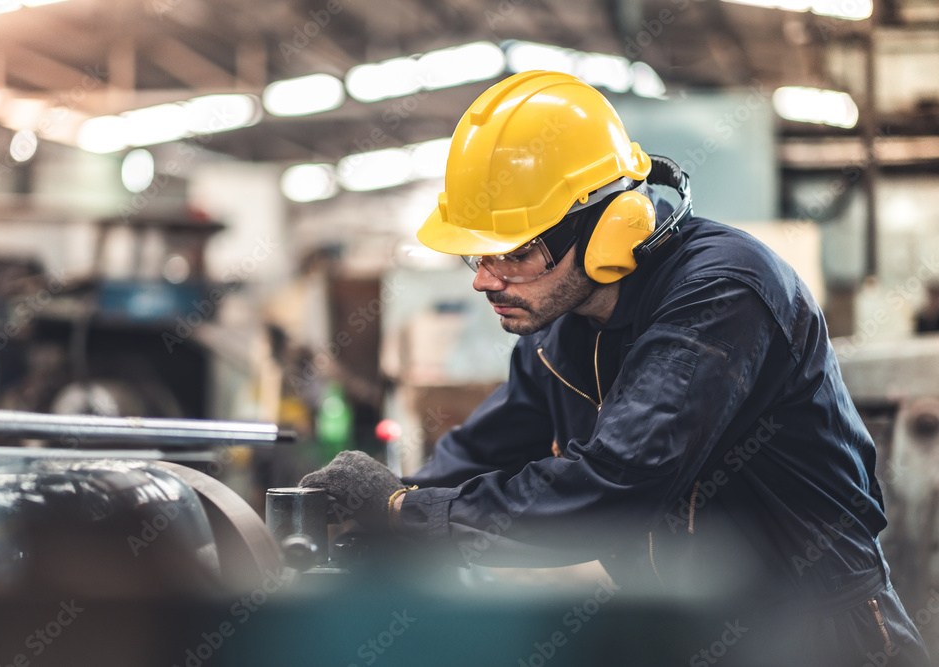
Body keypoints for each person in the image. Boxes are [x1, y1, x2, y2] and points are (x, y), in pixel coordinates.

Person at [301, 71, 930, 664]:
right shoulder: (559, 330)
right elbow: (480, 454)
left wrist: (404, 512)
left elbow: (615, 487)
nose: (485, 281)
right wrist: (379, 507)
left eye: (513, 252)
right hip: (687, 628)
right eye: (476, 256)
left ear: (609, 227)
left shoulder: (721, 293)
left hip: (819, 637)